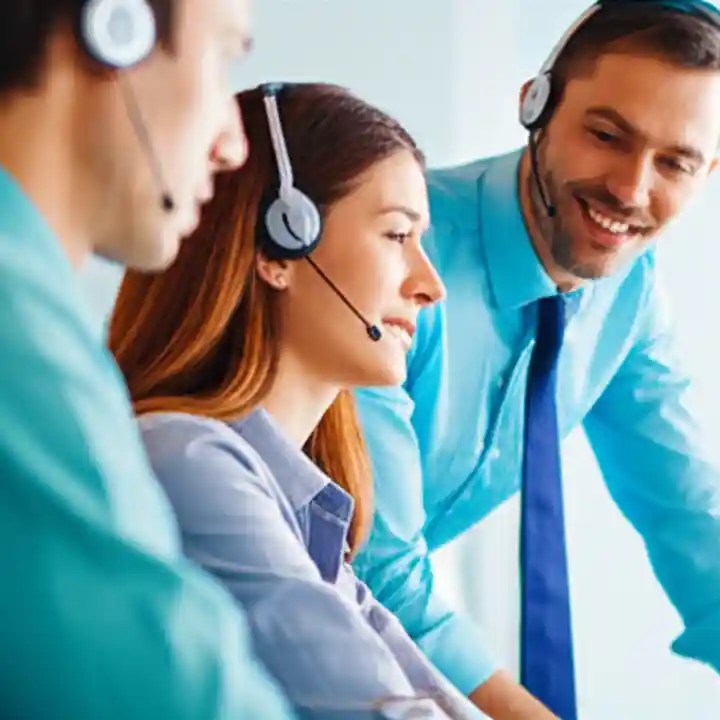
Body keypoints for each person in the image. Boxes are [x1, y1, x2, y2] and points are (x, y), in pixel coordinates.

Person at [353, 2, 720, 718]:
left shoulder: (628, 293)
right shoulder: (402, 250)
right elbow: (378, 567)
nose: (631, 190)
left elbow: (692, 518)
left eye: (675, 163)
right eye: (607, 135)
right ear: (535, 104)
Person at [107, 82, 488, 720]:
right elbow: (382, 712)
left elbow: (428, 699)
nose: (430, 285)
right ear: (282, 244)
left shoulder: (307, 513)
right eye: (397, 236)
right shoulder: (189, 458)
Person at [0, 0, 297, 716]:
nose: (233, 145)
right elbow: (179, 691)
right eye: (221, 56)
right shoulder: (20, 337)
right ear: (116, 26)